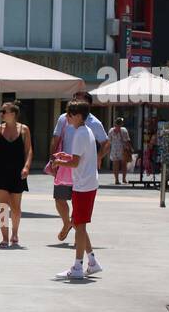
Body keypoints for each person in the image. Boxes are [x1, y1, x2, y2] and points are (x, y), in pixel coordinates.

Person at [49, 100, 104, 280]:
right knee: (79, 223)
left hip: (83, 185)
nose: (67, 118)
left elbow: (75, 162)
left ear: (79, 116)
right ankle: (93, 263)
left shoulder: (79, 133)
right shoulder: (86, 130)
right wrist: (66, 157)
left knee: (80, 226)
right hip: (87, 183)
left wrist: (58, 162)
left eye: (70, 115)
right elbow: (78, 158)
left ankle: (78, 266)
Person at [49, 91, 110, 242]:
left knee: (79, 206)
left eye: (78, 103)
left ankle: (80, 238)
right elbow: (56, 138)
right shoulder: (65, 118)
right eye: (73, 101)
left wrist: (98, 158)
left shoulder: (93, 124)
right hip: (66, 165)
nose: (73, 107)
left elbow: (105, 143)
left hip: (80, 170)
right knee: (59, 198)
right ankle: (68, 224)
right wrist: (53, 159)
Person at [0, 100, 33, 247]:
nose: (1, 114)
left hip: (18, 171)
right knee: (2, 206)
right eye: (1, 111)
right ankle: (4, 236)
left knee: (16, 207)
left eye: (4, 111)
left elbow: (29, 150)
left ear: (14, 114)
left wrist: (27, 167)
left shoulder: (24, 130)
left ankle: (15, 234)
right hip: (0, 171)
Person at [108, 117, 132, 185]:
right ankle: (124, 179)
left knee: (115, 165)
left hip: (114, 150)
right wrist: (130, 148)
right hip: (123, 149)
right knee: (124, 165)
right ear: (121, 124)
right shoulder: (124, 130)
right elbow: (127, 140)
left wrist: (108, 149)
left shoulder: (111, 130)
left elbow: (109, 141)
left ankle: (116, 180)